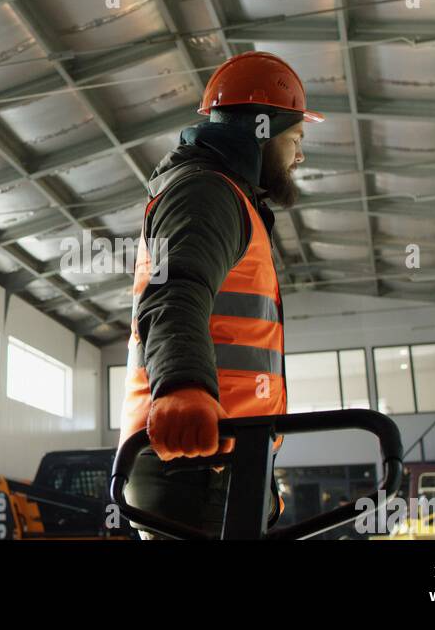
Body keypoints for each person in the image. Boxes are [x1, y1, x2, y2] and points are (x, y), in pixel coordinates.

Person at [117, 51, 324, 539]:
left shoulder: (227, 197)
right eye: (295, 139)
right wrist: (184, 385)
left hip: (218, 457)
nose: (299, 156)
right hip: (191, 457)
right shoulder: (205, 193)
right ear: (261, 131)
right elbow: (175, 289)